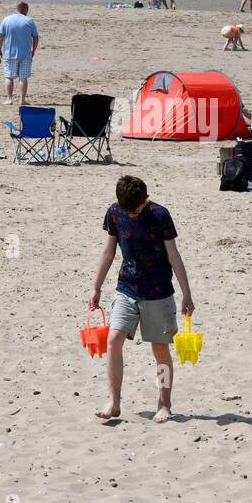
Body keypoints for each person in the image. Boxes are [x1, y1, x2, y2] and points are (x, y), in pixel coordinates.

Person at [89, 174, 195, 424]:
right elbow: (108, 251)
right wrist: (96, 287)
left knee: (159, 349)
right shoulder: (115, 212)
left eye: (135, 209)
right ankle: (114, 402)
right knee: (113, 339)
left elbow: (174, 255)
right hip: (126, 288)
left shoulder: (160, 215)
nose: (132, 214)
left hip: (158, 293)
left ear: (144, 200)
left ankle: (164, 402)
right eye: (128, 210)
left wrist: (187, 293)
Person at [0, 0, 39, 105]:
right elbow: (36, 37)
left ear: (16, 9)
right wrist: (33, 50)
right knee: (23, 78)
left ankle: (9, 99)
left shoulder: (7, 20)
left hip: (10, 53)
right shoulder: (29, 21)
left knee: (9, 77)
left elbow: (1, 36)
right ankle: (22, 100)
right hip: (25, 54)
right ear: (25, 9)